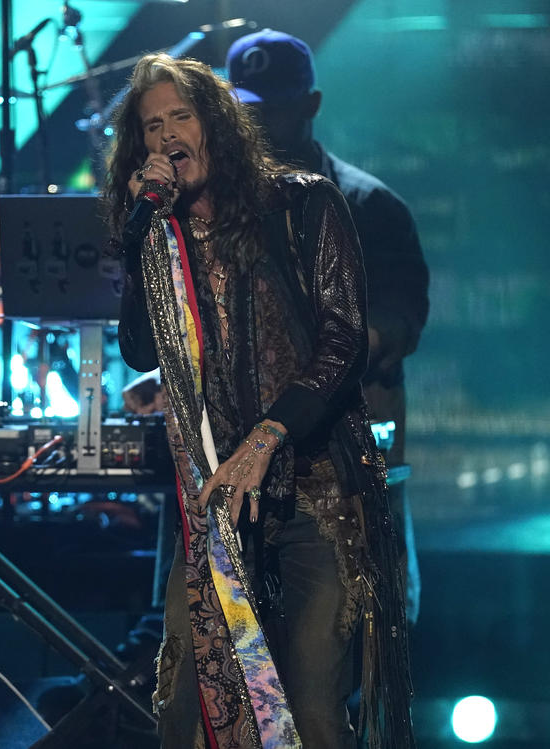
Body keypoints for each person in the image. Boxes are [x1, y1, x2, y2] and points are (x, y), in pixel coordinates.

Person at [104, 53, 414, 748]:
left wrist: (268, 437)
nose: (167, 136)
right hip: (216, 497)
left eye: (181, 116)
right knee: (187, 708)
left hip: (313, 485)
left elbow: (342, 343)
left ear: (218, 122)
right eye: (152, 126)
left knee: (309, 708)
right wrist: (141, 240)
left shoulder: (303, 203)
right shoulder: (165, 232)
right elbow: (136, 348)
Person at [224, 28, 429, 625]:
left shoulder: (373, 208)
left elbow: (394, 327)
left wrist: (298, 374)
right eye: (244, 112)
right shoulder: (224, 206)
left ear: (310, 105)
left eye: (272, 110)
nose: (256, 127)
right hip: (252, 449)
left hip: (349, 450)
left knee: (361, 627)